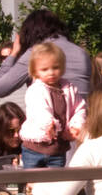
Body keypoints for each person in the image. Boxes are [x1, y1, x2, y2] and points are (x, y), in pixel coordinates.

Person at [0, 9, 92, 103]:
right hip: (81, 117)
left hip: (49, 118)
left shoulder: (35, 53)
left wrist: (14, 53)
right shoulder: (82, 53)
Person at [20, 41, 87, 169]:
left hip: (58, 148)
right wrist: (49, 124)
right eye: (44, 69)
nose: (51, 72)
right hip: (35, 147)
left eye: (55, 68)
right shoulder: (36, 90)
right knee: (32, 182)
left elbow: (79, 109)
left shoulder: (69, 88)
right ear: (35, 71)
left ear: (62, 68)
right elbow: (40, 110)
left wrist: (75, 126)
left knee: (55, 182)